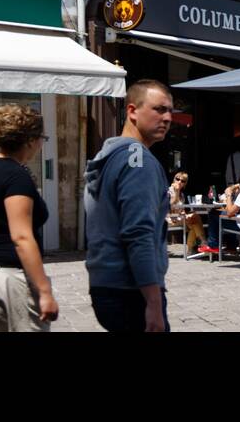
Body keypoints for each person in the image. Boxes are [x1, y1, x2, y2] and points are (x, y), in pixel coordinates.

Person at [85, 79, 173, 332]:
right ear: (132, 111)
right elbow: (138, 233)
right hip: (130, 291)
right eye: (159, 109)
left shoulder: (108, 155)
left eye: (170, 111)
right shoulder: (138, 160)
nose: (167, 118)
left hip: (105, 286)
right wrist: (154, 303)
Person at [0, 103, 56, 331]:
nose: (40, 144)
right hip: (14, 278)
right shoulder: (17, 177)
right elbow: (22, 237)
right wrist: (44, 290)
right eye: (41, 138)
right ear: (29, 140)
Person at [168, 172, 206, 254]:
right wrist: (177, 192)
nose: (179, 182)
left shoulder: (182, 195)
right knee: (195, 218)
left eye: (183, 181)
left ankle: (194, 248)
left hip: (179, 218)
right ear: (174, 179)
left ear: (185, 184)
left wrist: (184, 213)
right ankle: (202, 243)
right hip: (169, 219)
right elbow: (170, 206)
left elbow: (181, 209)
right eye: (177, 179)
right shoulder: (167, 191)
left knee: (194, 220)